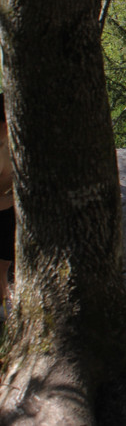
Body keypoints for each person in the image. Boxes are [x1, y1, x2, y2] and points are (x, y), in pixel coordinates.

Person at [0, 93, 15, 315]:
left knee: (3, 265)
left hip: (8, 210)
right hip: (6, 206)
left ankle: (4, 306)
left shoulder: (13, 144)